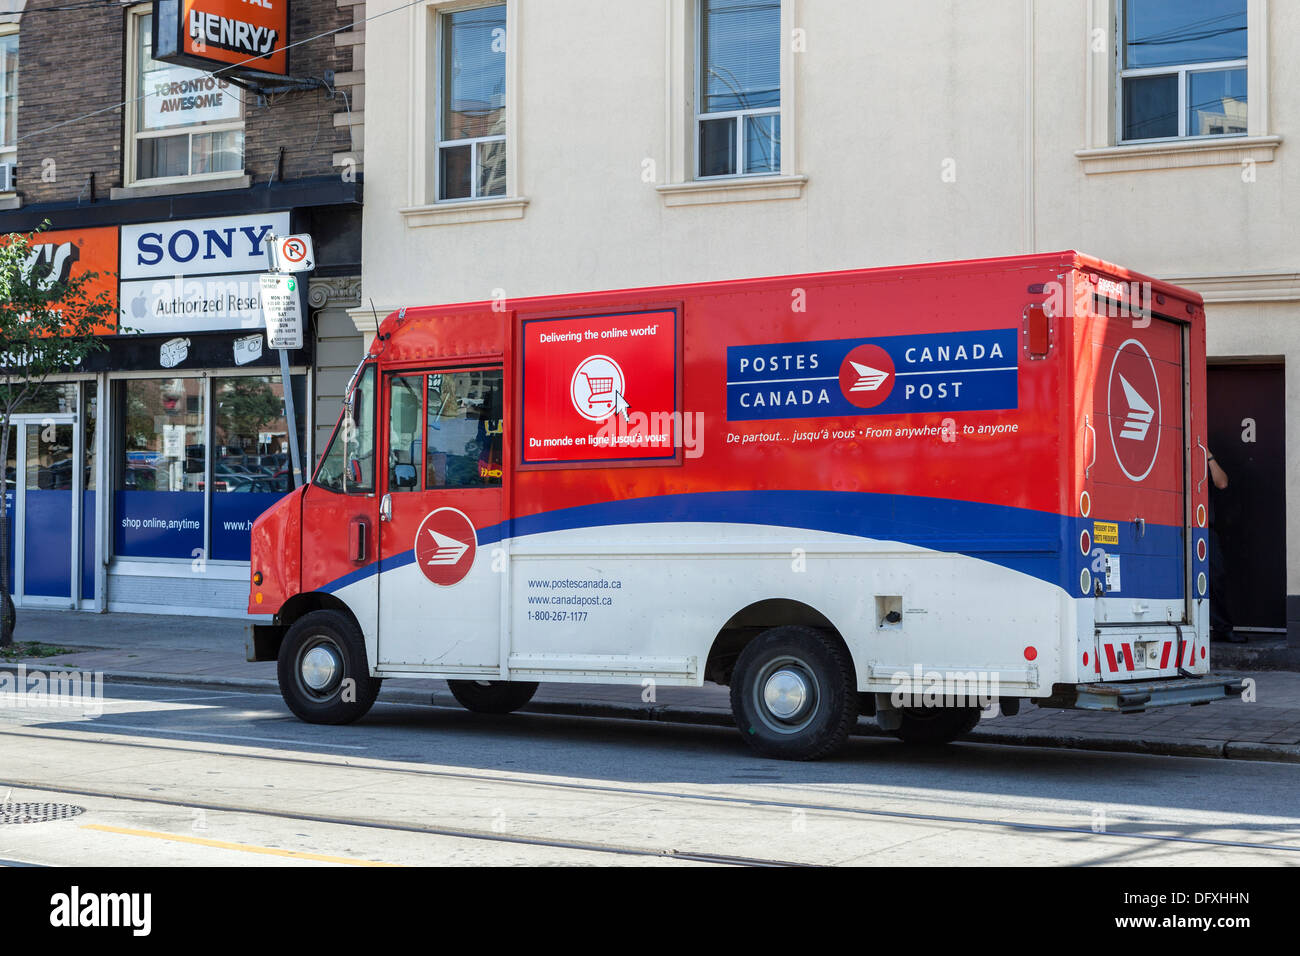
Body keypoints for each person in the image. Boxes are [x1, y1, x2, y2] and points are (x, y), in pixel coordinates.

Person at [1206, 450, 1243, 643]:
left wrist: (1209, 456)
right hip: (1178, 528)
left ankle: (1222, 628)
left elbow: (1222, 483)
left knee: (1216, 576)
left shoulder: (1203, 457)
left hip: (1204, 528)